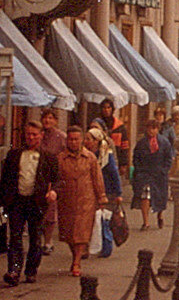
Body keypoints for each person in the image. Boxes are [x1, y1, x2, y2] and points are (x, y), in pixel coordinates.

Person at [0, 121, 60, 286]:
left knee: (35, 238)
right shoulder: (14, 154)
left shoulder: (48, 157)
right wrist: (4, 200)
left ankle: (31, 271)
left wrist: (53, 191)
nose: (31, 138)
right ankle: (14, 270)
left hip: (37, 202)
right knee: (15, 238)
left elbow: (57, 180)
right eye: (28, 134)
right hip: (17, 201)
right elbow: (5, 179)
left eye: (35, 134)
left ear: (41, 135)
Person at [56, 126, 106, 276]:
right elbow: (56, 179)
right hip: (67, 200)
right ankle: (75, 254)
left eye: (76, 139)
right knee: (69, 233)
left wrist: (101, 197)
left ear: (82, 140)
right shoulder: (60, 158)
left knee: (82, 232)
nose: (73, 142)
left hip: (86, 200)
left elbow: (97, 178)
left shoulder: (90, 158)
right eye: (71, 139)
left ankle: (76, 262)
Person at [132, 119, 174, 229]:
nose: (151, 131)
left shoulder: (164, 142)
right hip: (145, 174)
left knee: (160, 197)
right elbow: (136, 158)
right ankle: (146, 222)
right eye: (149, 128)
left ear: (158, 129)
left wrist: (164, 170)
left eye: (154, 128)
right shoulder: (141, 143)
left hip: (159, 175)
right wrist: (139, 170)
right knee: (145, 196)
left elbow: (169, 158)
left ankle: (160, 215)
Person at [38, 109, 65, 257]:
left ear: (55, 120)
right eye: (45, 118)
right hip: (38, 175)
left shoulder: (60, 137)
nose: (47, 121)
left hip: (53, 176)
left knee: (50, 211)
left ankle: (48, 241)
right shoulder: (39, 134)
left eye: (50, 118)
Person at [84, 127, 122, 208]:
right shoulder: (85, 155)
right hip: (89, 192)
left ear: (96, 141)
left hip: (106, 191)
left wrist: (118, 193)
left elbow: (114, 174)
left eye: (88, 139)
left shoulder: (106, 156)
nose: (85, 142)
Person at [98, 99, 130, 177]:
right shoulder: (97, 124)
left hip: (116, 159)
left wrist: (123, 164)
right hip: (100, 159)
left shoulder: (120, 126)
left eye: (109, 108)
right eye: (104, 108)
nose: (106, 110)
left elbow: (125, 146)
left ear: (112, 109)